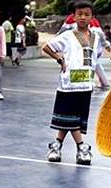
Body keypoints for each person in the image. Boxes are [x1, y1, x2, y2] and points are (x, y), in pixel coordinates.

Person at [42, 0, 99, 165]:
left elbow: (96, 57)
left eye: (86, 14)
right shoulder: (67, 36)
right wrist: (60, 59)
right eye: (79, 14)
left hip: (86, 83)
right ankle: (82, 147)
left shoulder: (96, 37)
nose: (83, 17)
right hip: (69, 84)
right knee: (71, 117)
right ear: (73, 16)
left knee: (71, 118)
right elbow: (47, 47)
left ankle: (56, 145)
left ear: (92, 17)